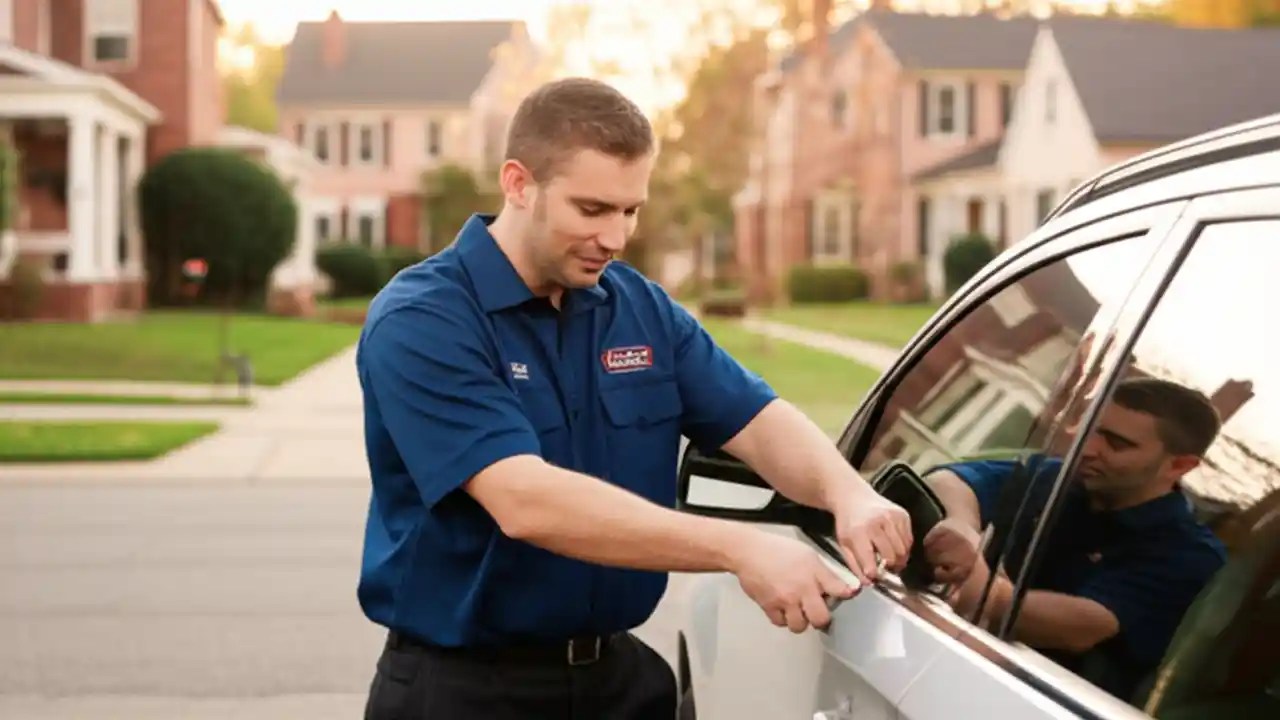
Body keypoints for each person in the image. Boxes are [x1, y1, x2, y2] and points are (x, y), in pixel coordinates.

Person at [354, 77, 914, 719]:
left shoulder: (638, 308)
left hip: (618, 684)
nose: (616, 238)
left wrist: (849, 493)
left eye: (630, 210)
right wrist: (737, 547)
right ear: (518, 184)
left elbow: (757, 421)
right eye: (591, 210)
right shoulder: (425, 318)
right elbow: (524, 501)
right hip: (465, 693)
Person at [922, 377, 1227, 701]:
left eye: (1116, 443)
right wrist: (963, 527)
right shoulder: (1056, 479)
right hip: (953, 671)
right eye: (1090, 428)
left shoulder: (1189, 556)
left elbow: (1080, 627)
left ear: (1180, 465)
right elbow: (948, 479)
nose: (1088, 448)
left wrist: (984, 588)